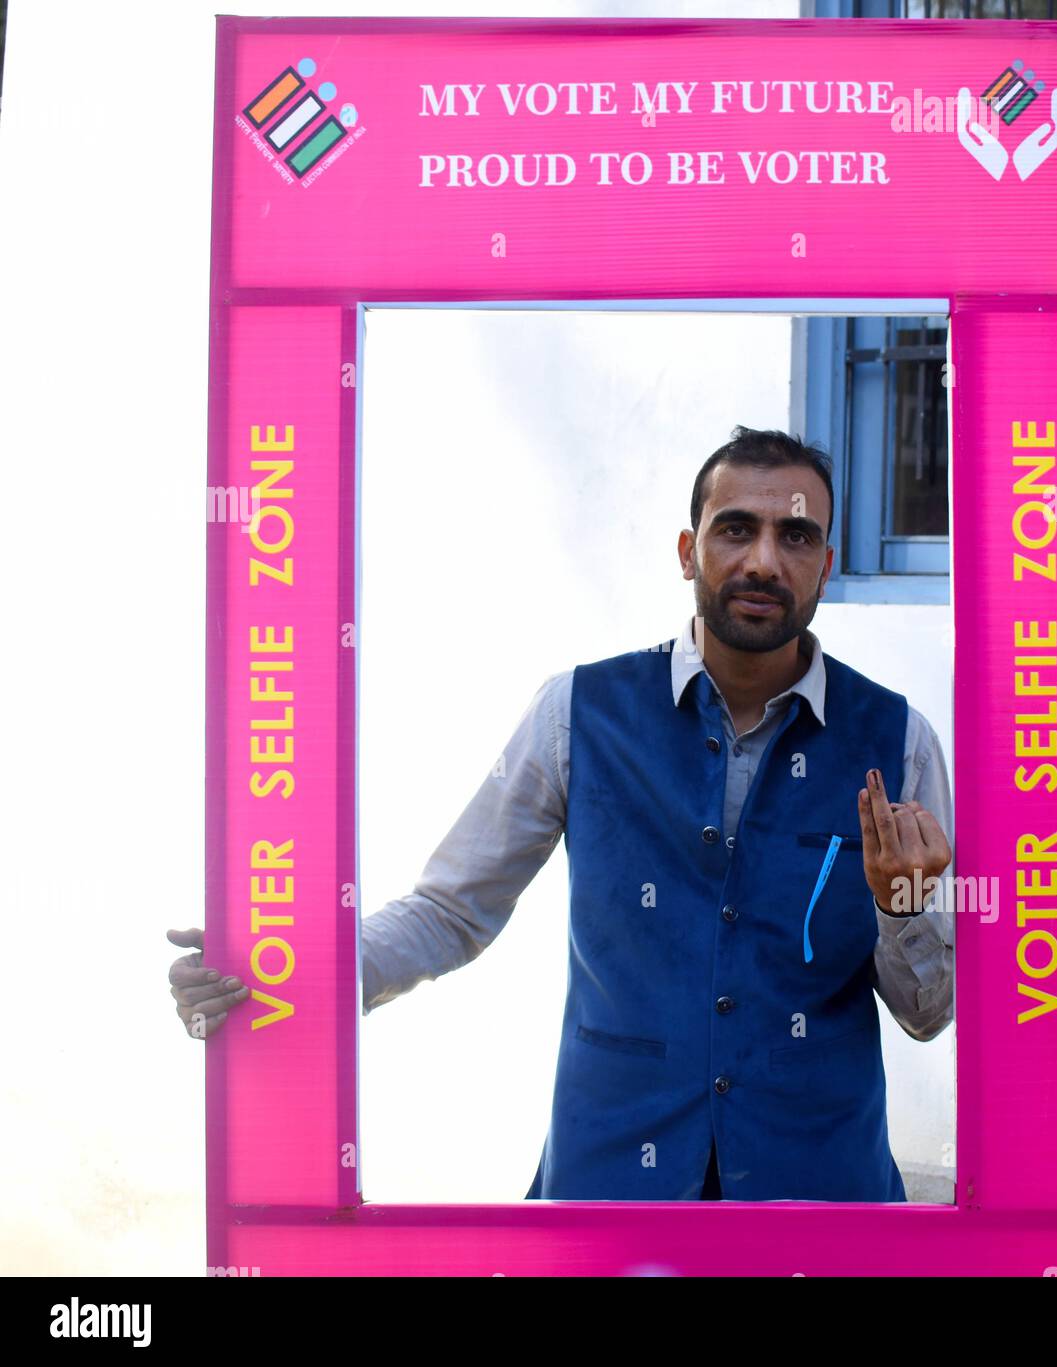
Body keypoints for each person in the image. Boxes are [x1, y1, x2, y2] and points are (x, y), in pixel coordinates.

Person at [170, 425, 955, 1202]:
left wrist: (902, 906)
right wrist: (282, 968)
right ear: (688, 552)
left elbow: (930, 1012)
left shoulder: (896, 740)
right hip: (609, 1200)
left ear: (825, 564)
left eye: (795, 535)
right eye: (736, 529)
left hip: (822, 1213)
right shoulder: (577, 713)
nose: (762, 560)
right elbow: (450, 911)